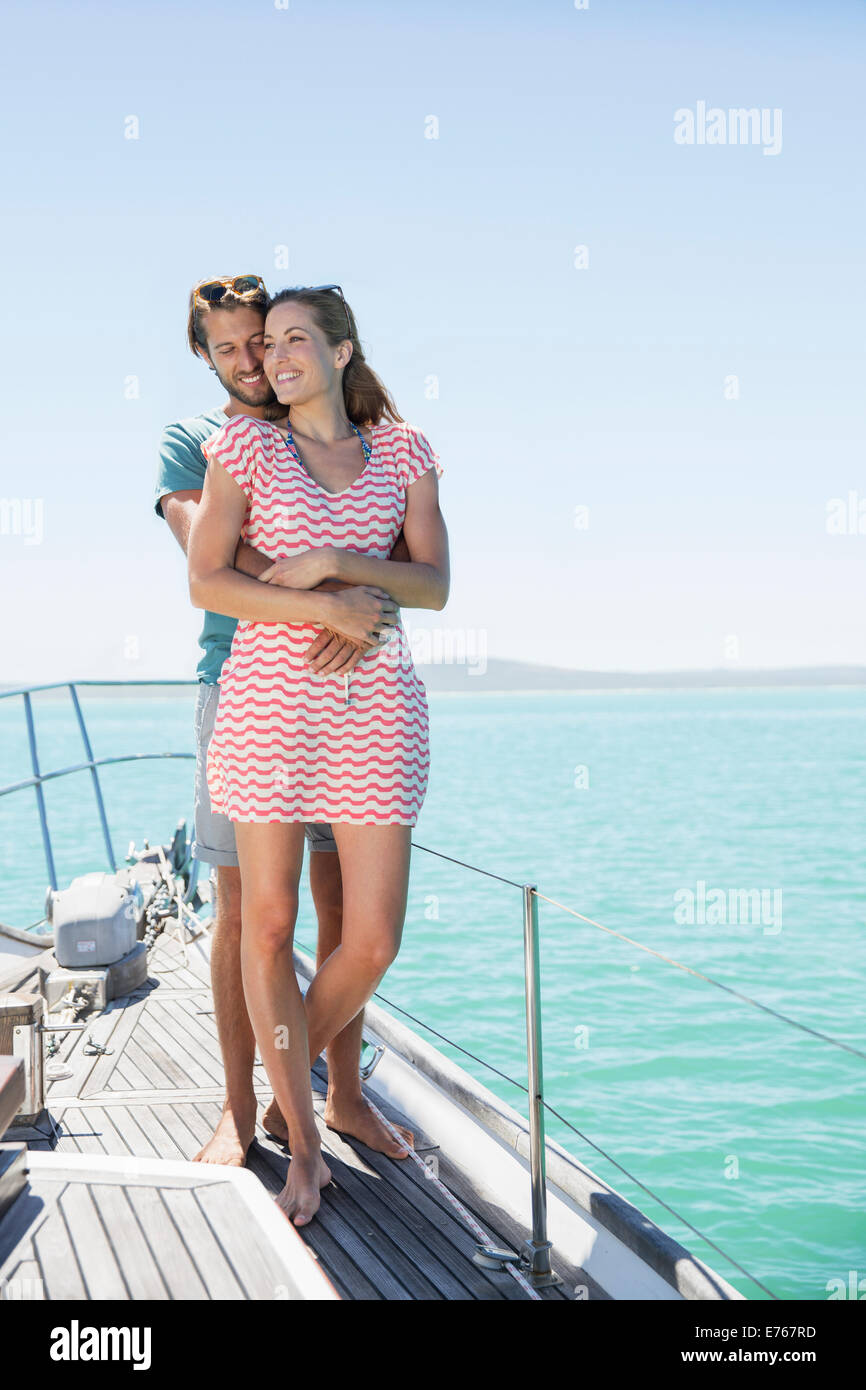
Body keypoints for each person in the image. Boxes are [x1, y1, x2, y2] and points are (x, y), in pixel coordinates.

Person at [187, 284, 449, 1224]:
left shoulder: (403, 450)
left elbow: (435, 584)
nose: (278, 354)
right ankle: (303, 1146)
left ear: (342, 352)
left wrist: (340, 566)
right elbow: (205, 579)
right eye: (269, 342)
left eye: (298, 338)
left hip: (374, 710)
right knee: (266, 928)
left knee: (371, 938)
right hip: (266, 704)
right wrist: (318, 602)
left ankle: (280, 1072)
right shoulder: (246, 447)